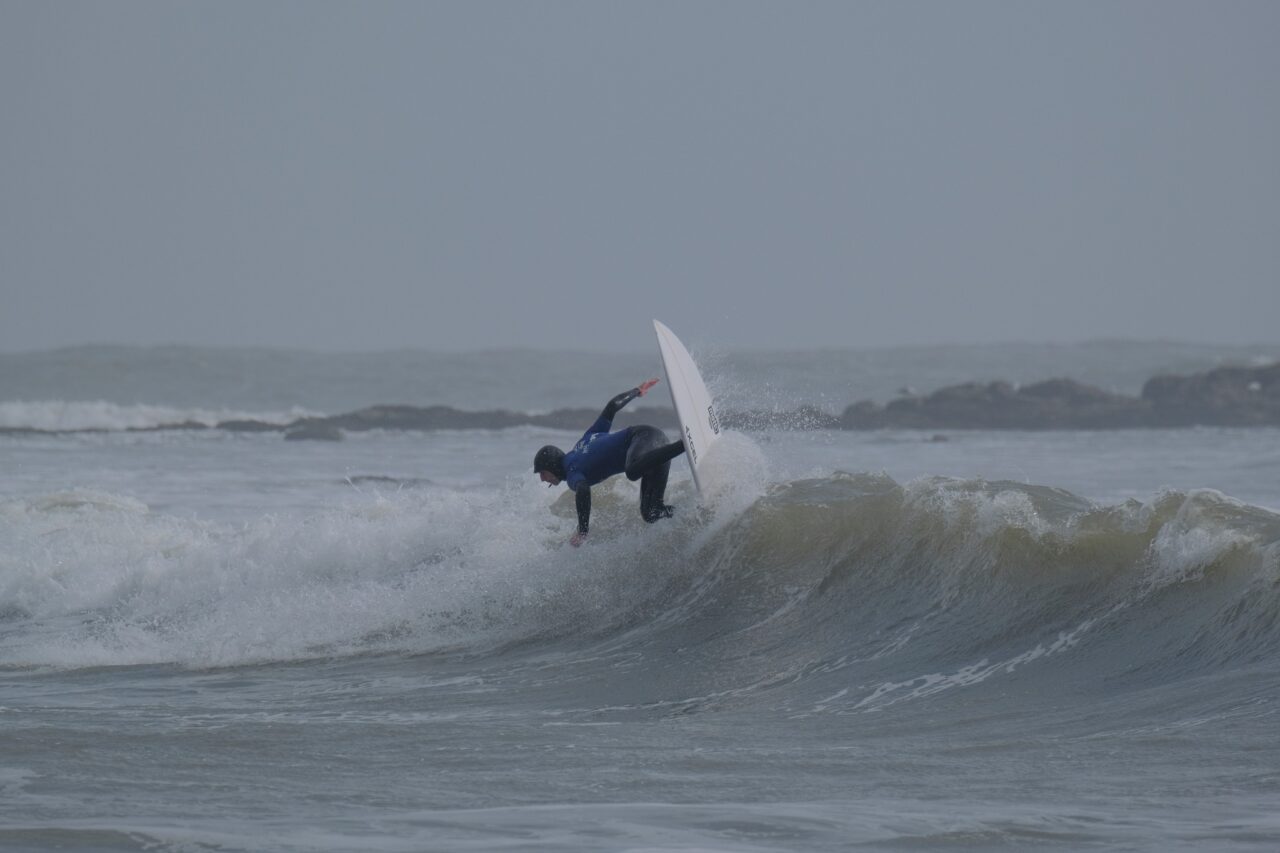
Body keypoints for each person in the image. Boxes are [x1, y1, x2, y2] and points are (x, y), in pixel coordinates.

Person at [534, 379, 686, 547]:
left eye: (542, 472)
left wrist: (583, 531)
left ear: (552, 465)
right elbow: (611, 407)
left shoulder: (572, 471)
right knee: (651, 513)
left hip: (643, 438)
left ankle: (683, 443)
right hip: (655, 452)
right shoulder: (585, 439)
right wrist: (637, 390)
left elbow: (583, 489)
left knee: (632, 472)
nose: (542, 479)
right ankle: (691, 512)